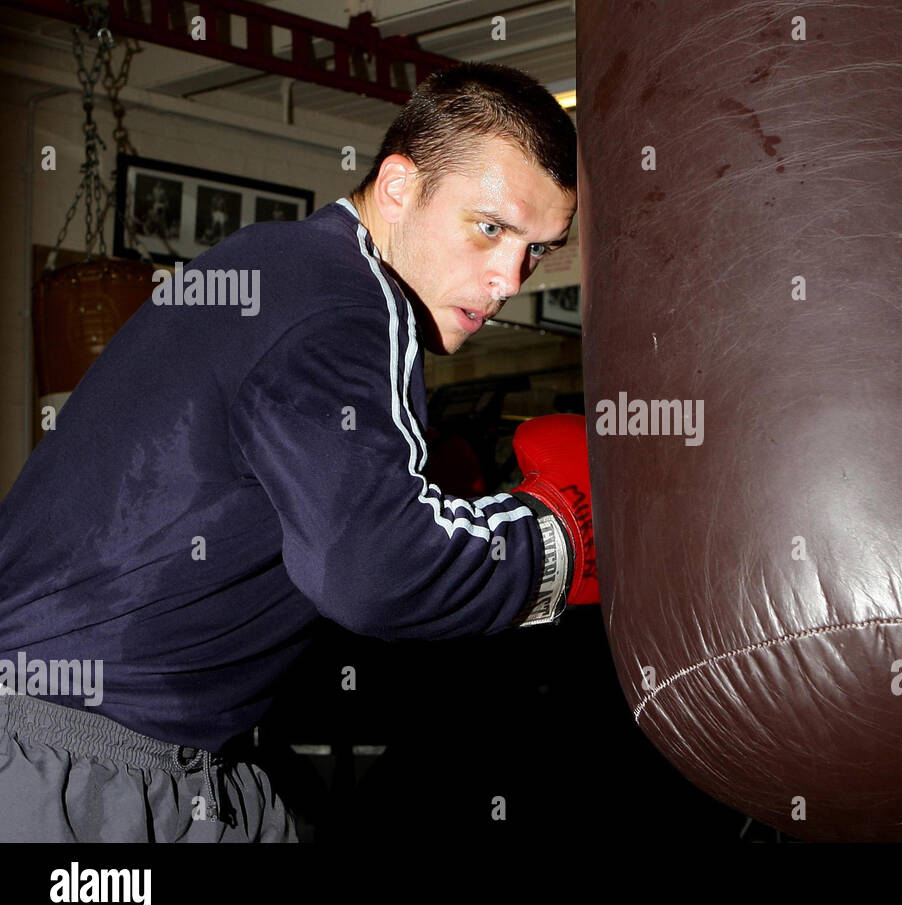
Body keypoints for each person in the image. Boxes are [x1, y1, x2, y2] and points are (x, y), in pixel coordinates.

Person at [0, 62, 596, 842]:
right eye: (490, 228)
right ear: (397, 188)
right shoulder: (346, 303)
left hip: (174, 752)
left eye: (538, 251)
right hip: (79, 764)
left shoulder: (278, 264)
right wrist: (559, 530)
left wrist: (447, 512)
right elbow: (376, 572)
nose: (508, 277)